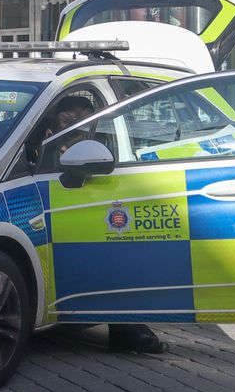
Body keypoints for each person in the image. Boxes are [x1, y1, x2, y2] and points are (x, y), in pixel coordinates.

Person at [34, 94, 167, 354]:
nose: (76, 128)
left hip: (94, 217)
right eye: (68, 121)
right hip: (51, 223)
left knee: (114, 255)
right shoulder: (39, 147)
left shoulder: (99, 145)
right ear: (51, 123)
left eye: (83, 122)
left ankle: (125, 326)